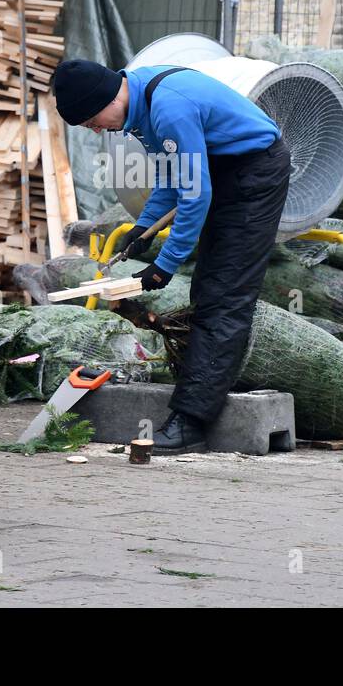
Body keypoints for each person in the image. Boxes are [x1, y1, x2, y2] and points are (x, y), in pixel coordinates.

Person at [53, 58, 291, 452]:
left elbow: (195, 194)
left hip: (254, 172)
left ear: (109, 96)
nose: (97, 129)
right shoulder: (142, 98)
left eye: (94, 120)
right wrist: (143, 230)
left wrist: (163, 266)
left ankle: (191, 422)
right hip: (225, 166)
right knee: (208, 290)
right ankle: (203, 388)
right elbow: (171, 176)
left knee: (224, 295)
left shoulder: (170, 107)